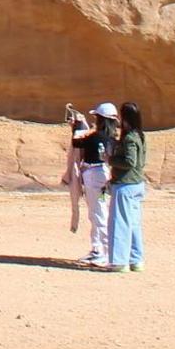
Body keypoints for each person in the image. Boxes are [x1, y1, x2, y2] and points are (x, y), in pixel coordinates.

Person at [105, 103, 149, 273]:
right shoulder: (140, 135)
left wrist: (110, 159)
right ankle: (136, 260)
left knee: (120, 222)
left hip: (125, 184)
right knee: (134, 223)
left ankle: (119, 261)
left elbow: (130, 162)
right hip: (136, 184)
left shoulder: (130, 138)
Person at [78, 101, 118, 268]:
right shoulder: (112, 139)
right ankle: (98, 249)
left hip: (94, 177)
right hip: (103, 177)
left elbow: (77, 142)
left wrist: (78, 126)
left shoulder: (94, 137)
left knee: (98, 212)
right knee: (98, 210)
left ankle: (104, 252)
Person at [63, 105, 92, 234]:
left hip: (94, 177)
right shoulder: (82, 137)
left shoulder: (88, 136)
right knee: (98, 206)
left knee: (99, 205)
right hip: (92, 176)